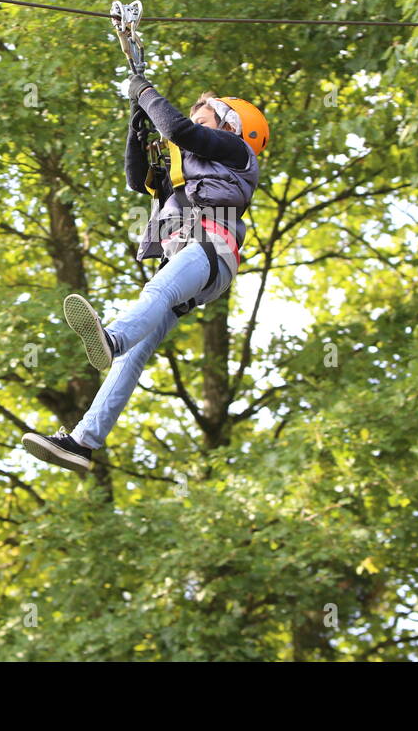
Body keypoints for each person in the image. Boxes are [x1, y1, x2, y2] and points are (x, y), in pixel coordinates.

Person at [21, 76, 268, 475]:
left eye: (203, 118)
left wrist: (145, 91)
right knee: (131, 359)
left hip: (209, 247)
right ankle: (82, 442)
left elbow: (177, 130)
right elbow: (138, 179)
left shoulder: (236, 153)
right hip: (188, 257)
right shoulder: (183, 171)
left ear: (229, 126)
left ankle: (113, 337)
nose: (194, 123)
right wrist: (137, 116)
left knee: (152, 297)